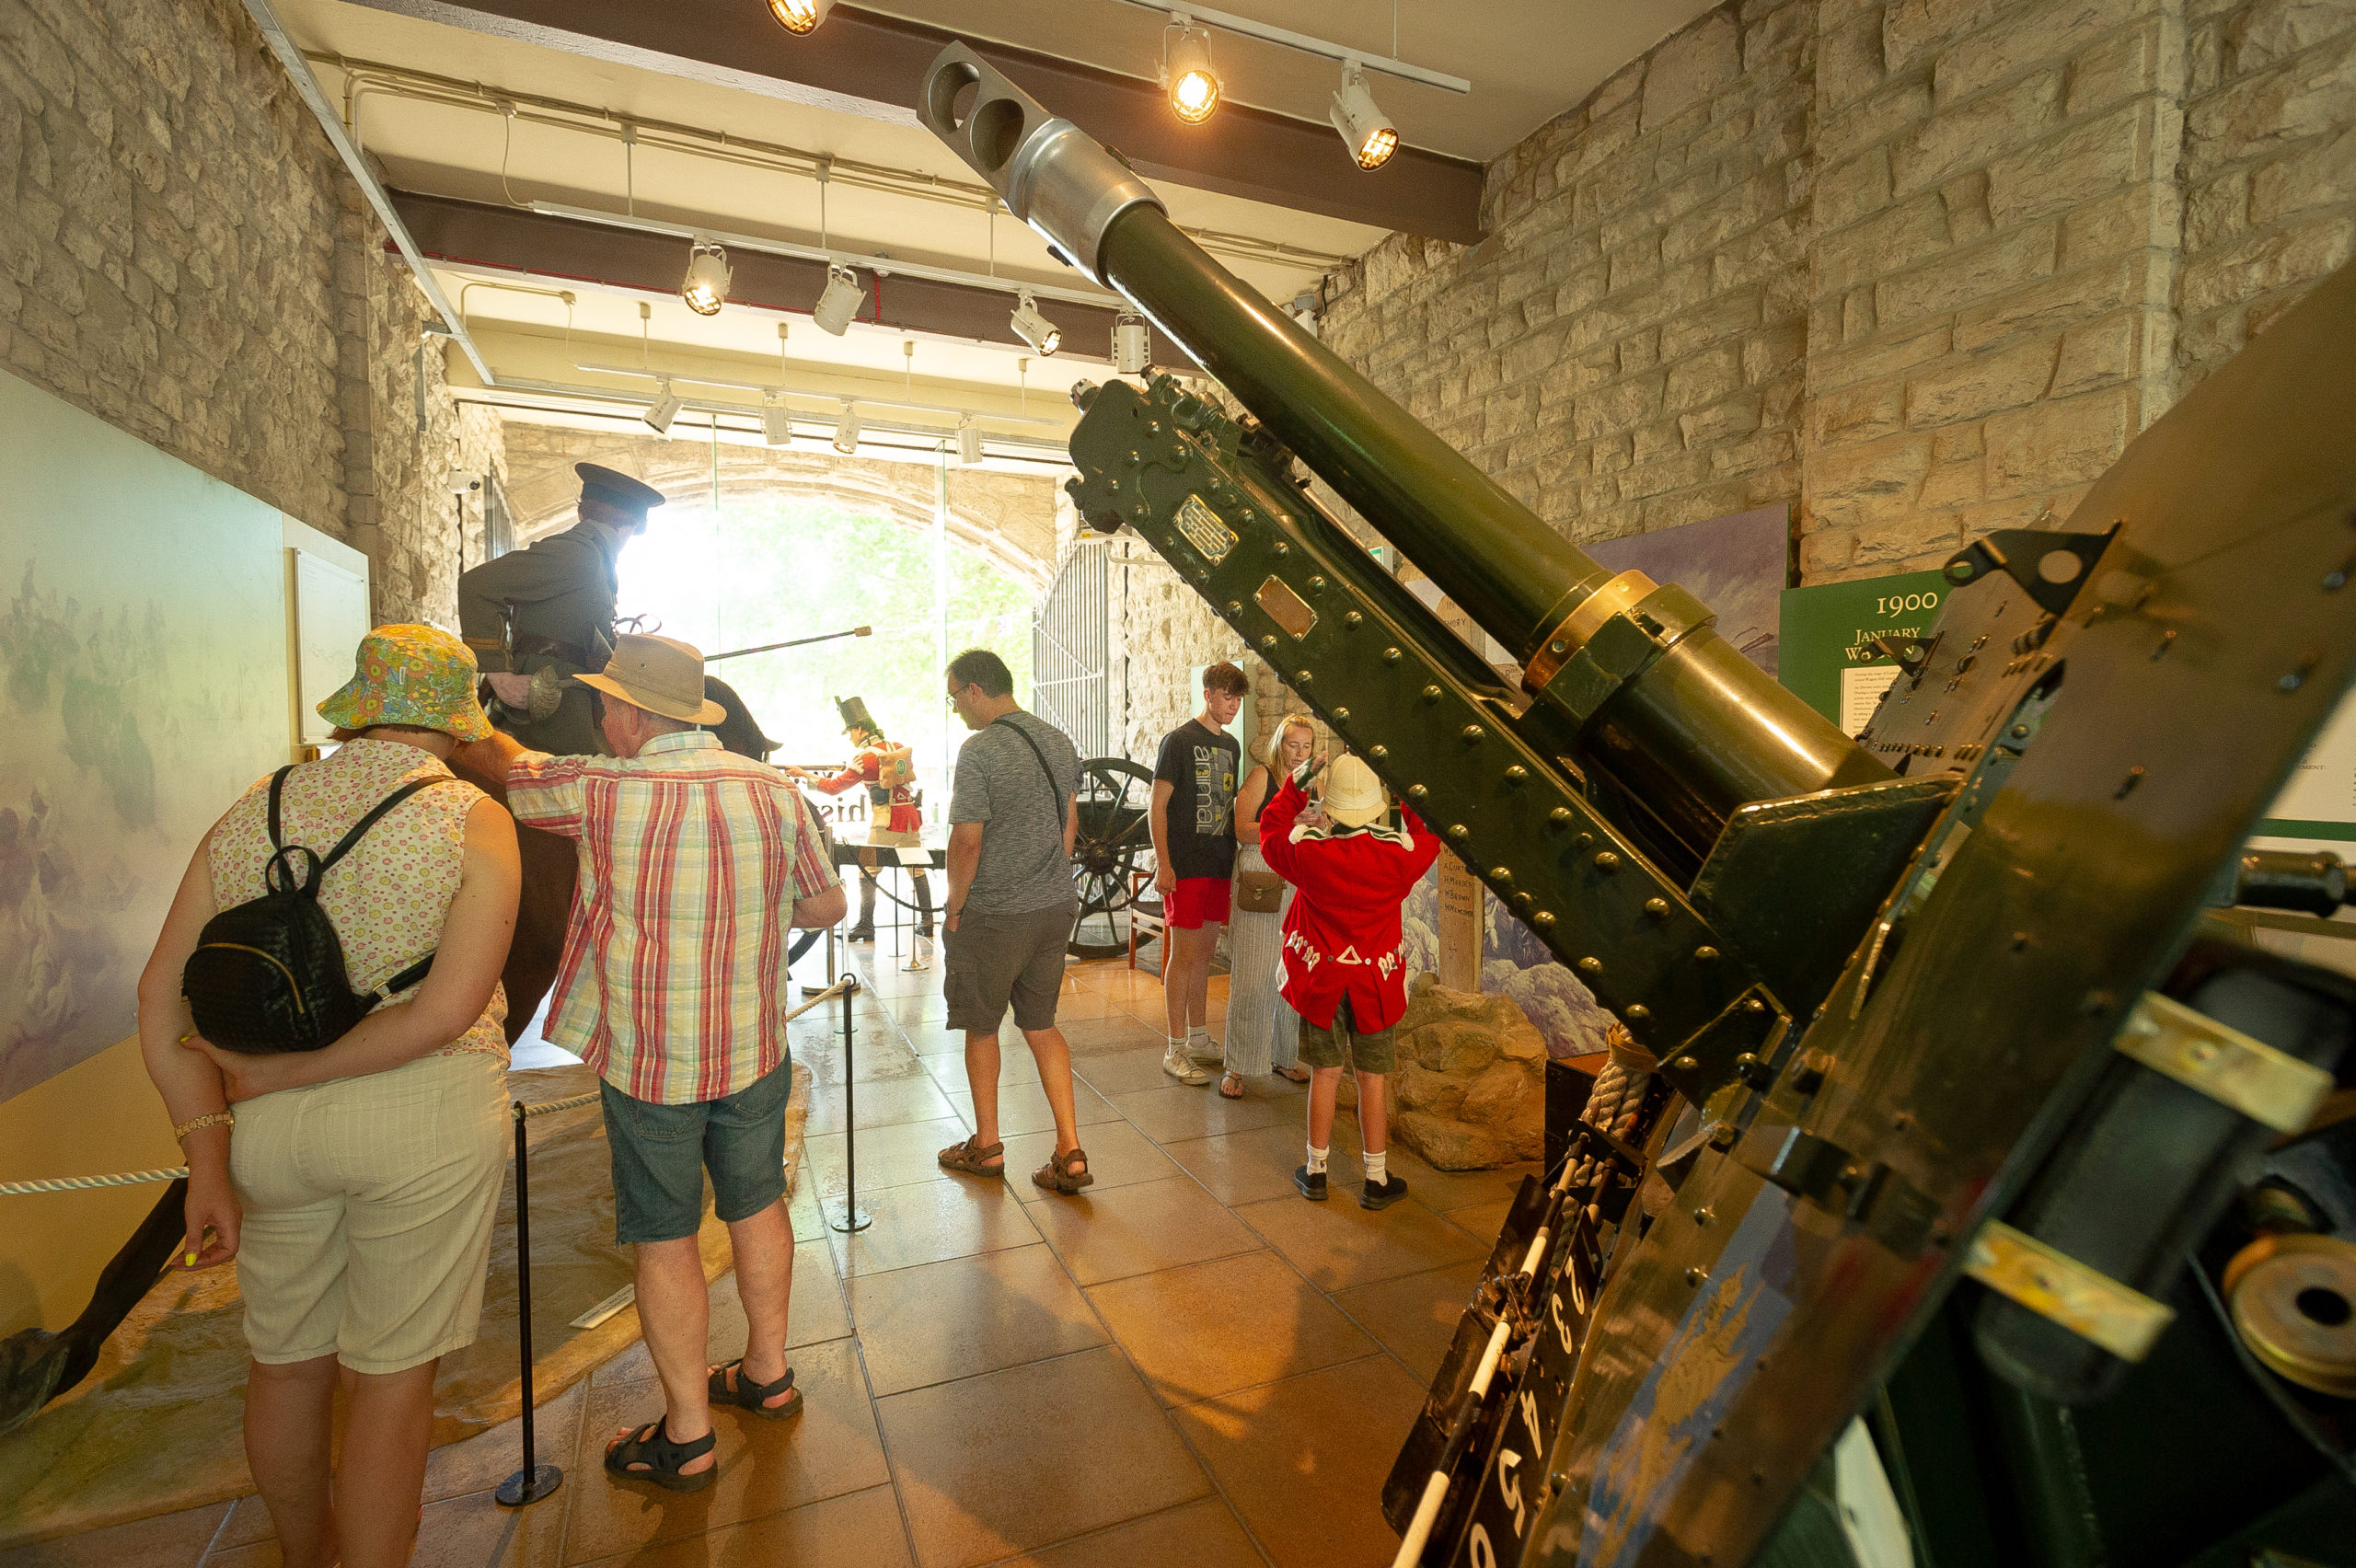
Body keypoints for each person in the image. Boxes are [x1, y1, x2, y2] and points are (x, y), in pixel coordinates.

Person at [137, 625, 523, 1568]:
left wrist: (207, 1157)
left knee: (285, 1364)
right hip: (423, 1121)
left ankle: (305, 1555)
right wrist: (287, 1074)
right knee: (391, 1382)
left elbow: (159, 997)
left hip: (264, 1136)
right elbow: (444, 1013)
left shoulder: (252, 808)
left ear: (358, 705)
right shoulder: (470, 817)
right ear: (458, 718)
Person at [457, 633, 847, 1493]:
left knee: (664, 1238)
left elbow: (510, 768)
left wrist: (464, 697)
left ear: (633, 714)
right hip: (752, 1047)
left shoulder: (599, 790)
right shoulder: (774, 790)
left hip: (649, 1063)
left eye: (604, 706)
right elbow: (826, 901)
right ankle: (768, 1377)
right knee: (758, 1205)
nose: (598, 719)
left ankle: (688, 1434)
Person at [930, 648, 1093, 1195]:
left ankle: (987, 1146)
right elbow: (1069, 825)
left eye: (955, 696)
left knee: (982, 1027)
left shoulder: (979, 751)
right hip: (1053, 907)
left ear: (976, 689)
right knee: (1041, 1025)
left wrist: (954, 906)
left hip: (995, 913)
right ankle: (1070, 1151)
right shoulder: (1057, 740)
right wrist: (1046, 876)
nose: (955, 708)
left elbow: (966, 840)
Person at [1259, 754, 1440, 1210]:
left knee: (1325, 1074)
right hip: (1374, 986)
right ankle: (1375, 1179)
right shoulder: (1396, 858)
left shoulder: (1309, 854)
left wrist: (1299, 781)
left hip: (1324, 984)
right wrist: (1406, 790)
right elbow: (1430, 836)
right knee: (1372, 1080)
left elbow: (1269, 831)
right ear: (1377, 805)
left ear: (1330, 805)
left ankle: (1316, 1172)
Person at [457, 462, 664, 755]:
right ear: (630, 526)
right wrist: (500, 676)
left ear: (583, 511)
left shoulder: (593, 555)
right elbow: (476, 585)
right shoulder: (577, 552)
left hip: (566, 698)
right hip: (549, 701)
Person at [1149, 663, 1247, 1086]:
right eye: (1227, 697)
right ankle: (1174, 1048)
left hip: (1219, 861)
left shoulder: (1233, 746)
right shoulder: (1178, 741)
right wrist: (1164, 863)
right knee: (1183, 956)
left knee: (1205, 956)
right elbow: (1157, 807)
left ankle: (1199, 1037)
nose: (1233, 706)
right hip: (1185, 863)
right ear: (1208, 694)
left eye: (1238, 699)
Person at [790, 696, 935, 969]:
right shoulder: (898, 747)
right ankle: (927, 921)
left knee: (867, 871)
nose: (851, 738)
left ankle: (866, 924)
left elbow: (834, 788)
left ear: (859, 729)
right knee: (916, 869)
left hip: (886, 820)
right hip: (910, 818)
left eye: (851, 732)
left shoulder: (865, 758)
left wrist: (803, 775)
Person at [1219, 715, 1317, 1098]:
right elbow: (1241, 827)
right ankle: (1238, 1066)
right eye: (1293, 745)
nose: (1299, 754)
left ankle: (1283, 1055)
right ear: (1280, 744)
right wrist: (1287, 823)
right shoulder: (1263, 776)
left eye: (1306, 746)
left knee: (1290, 970)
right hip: (1260, 877)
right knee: (1253, 972)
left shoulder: (1312, 781)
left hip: (1297, 879)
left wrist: (1318, 823)